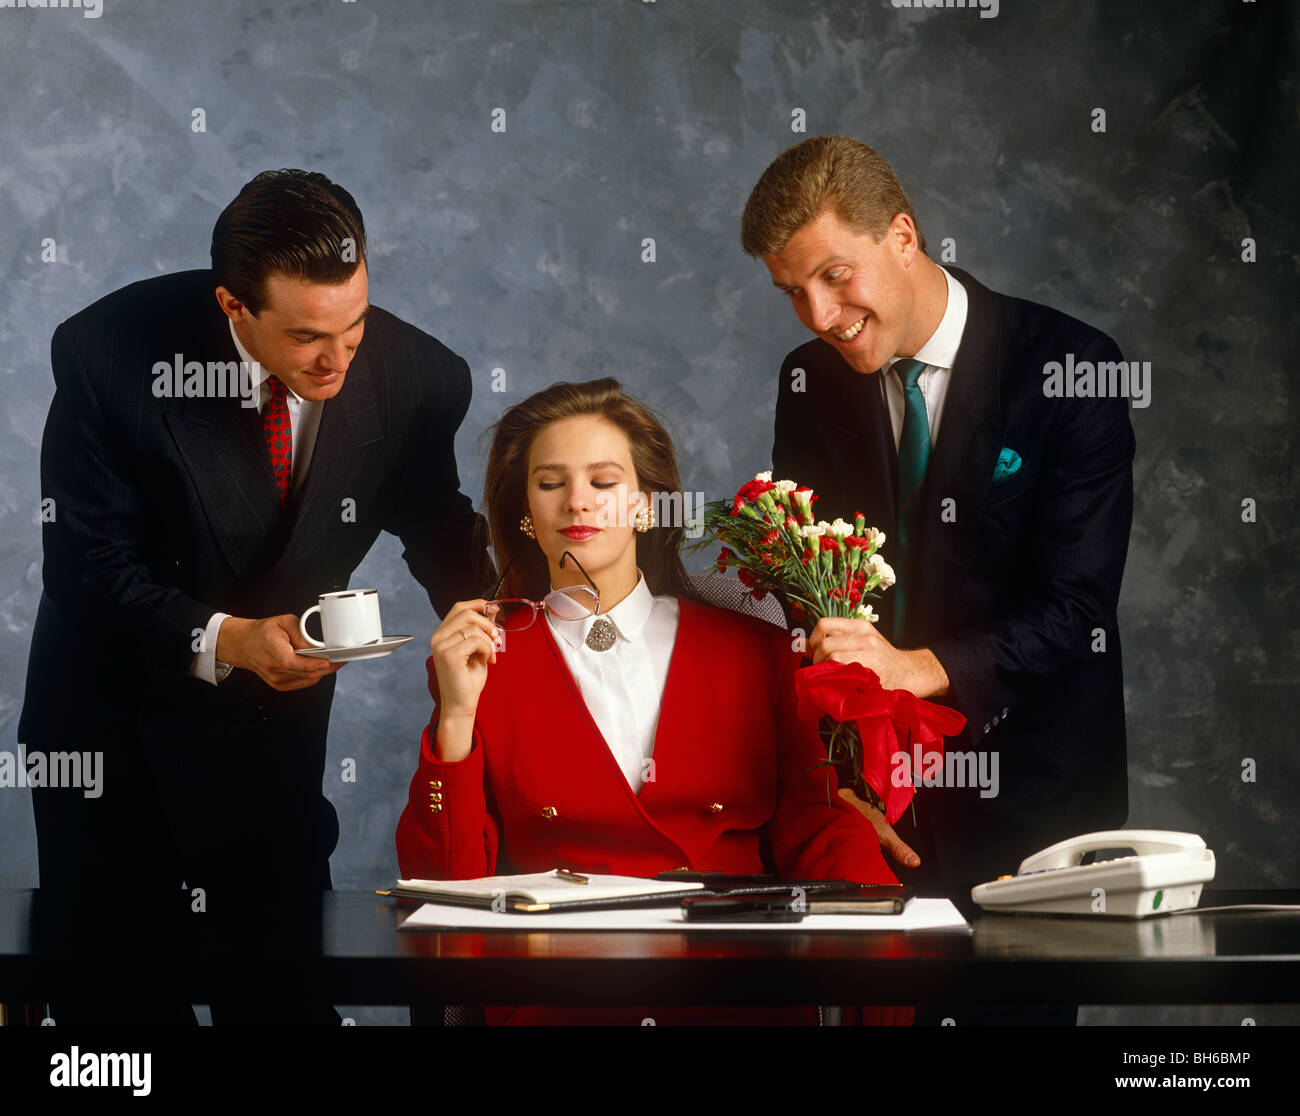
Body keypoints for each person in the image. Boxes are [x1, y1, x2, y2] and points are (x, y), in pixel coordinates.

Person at [19, 169, 491, 1025]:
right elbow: (89, 567)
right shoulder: (109, 352)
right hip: (108, 728)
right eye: (310, 336)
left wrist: (503, 619)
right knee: (118, 1020)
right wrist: (230, 640)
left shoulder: (419, 376)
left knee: (281, 1004)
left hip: (272, 733)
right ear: (234, 306)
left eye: (355, 324)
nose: (340, 358)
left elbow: (436, 523)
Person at [742, 136, 1135, 1023]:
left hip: (1034, 798)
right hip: (882, 804)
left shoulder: (1073, 370)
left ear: (905, 235)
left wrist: (918, 667)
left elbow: (1077, 612)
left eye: (836, 276)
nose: (818, 314)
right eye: (792, 292)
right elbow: (817, 593)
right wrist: (841, 769)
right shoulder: (809, 382)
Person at [395, 378, 910, 1026]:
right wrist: (457, 717)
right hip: (561, 994)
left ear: (644, 506)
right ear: (527, 508)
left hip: (738, 986)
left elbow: (816, 826)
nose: (576, 499)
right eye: (550, 482)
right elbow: (447, 887)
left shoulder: (757, 649)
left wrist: (891, 925)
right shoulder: (480, 661)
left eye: (604, 481)